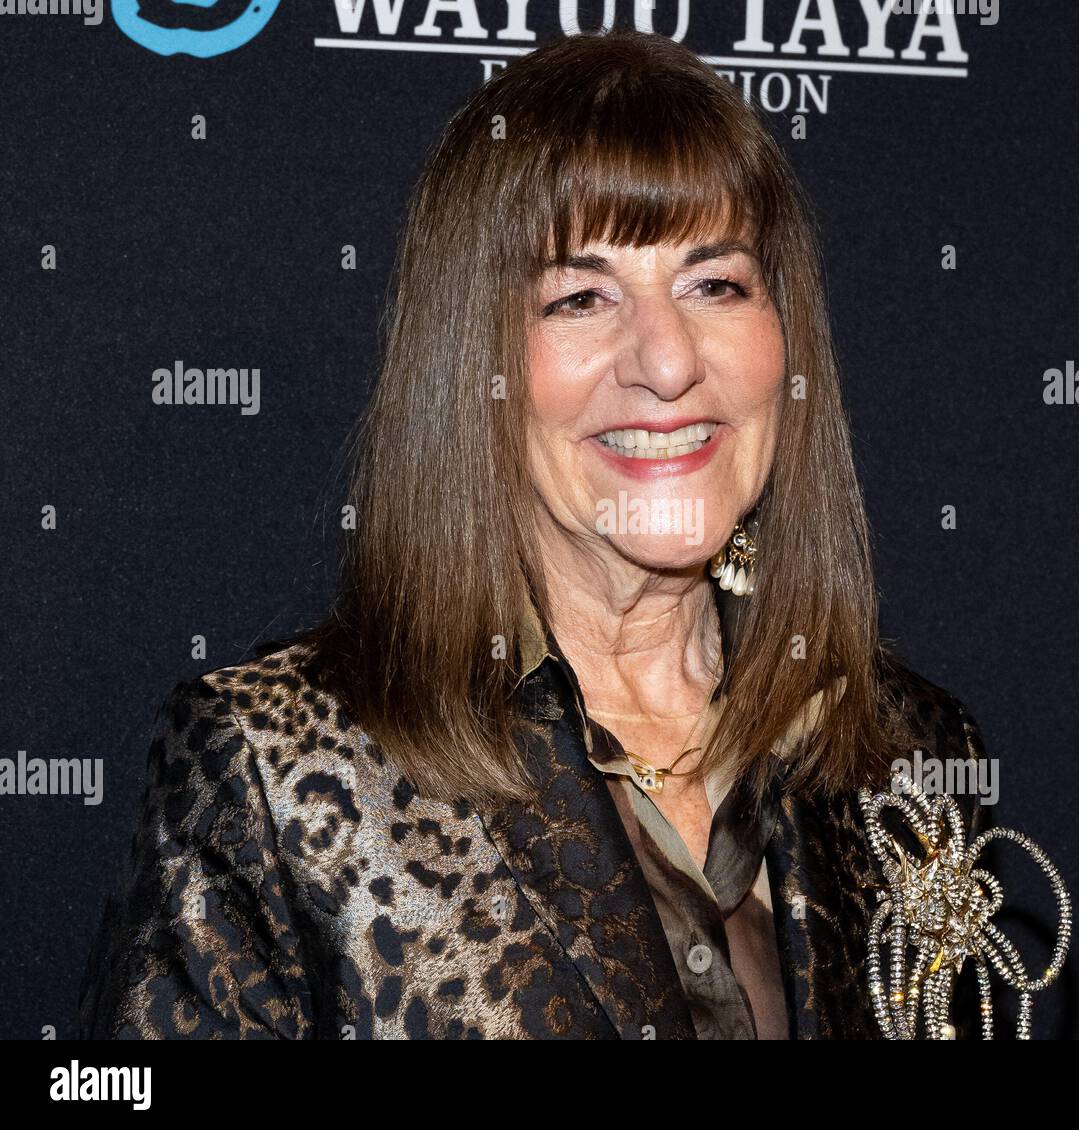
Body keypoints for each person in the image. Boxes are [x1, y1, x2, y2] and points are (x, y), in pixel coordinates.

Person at [79, 28, 992, 1040]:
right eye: (580, 295)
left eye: (714, 282)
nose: (667, 359)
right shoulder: (276, 768)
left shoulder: (906, 752)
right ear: (475, 360)